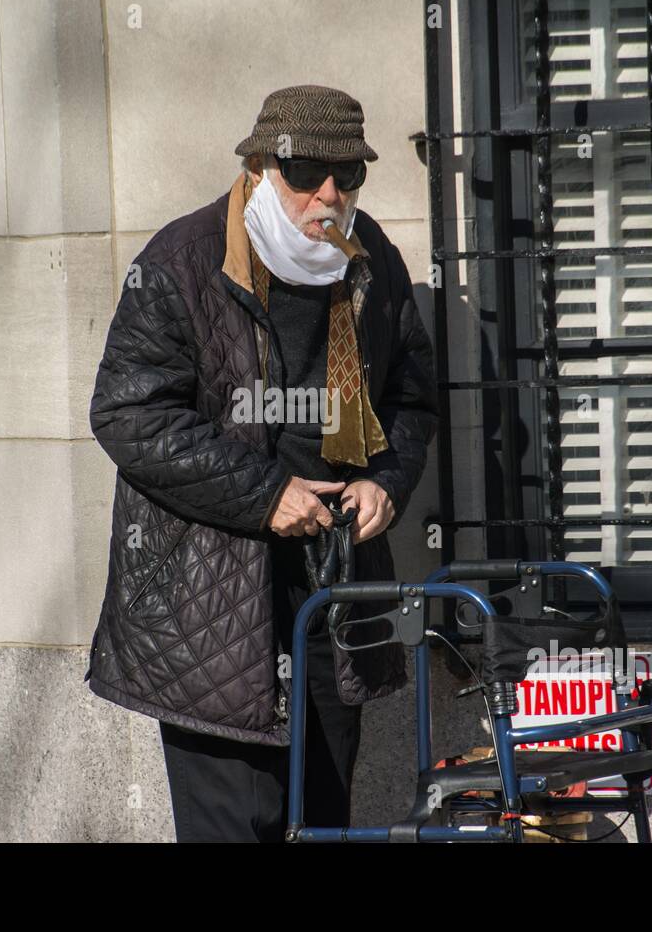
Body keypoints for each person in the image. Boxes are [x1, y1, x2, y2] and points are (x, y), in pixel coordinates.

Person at [84, 84, 438, 841]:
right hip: (212, 606)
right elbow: (127, 413)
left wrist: (388, 482)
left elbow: (414, 397)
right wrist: (264, 494)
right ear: (258, 165)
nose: (329, 195)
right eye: (307, 172)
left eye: (349, 175)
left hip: (331, 588)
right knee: (234, 827)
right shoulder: (181, 262)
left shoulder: (369, 257)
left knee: (323, 822)